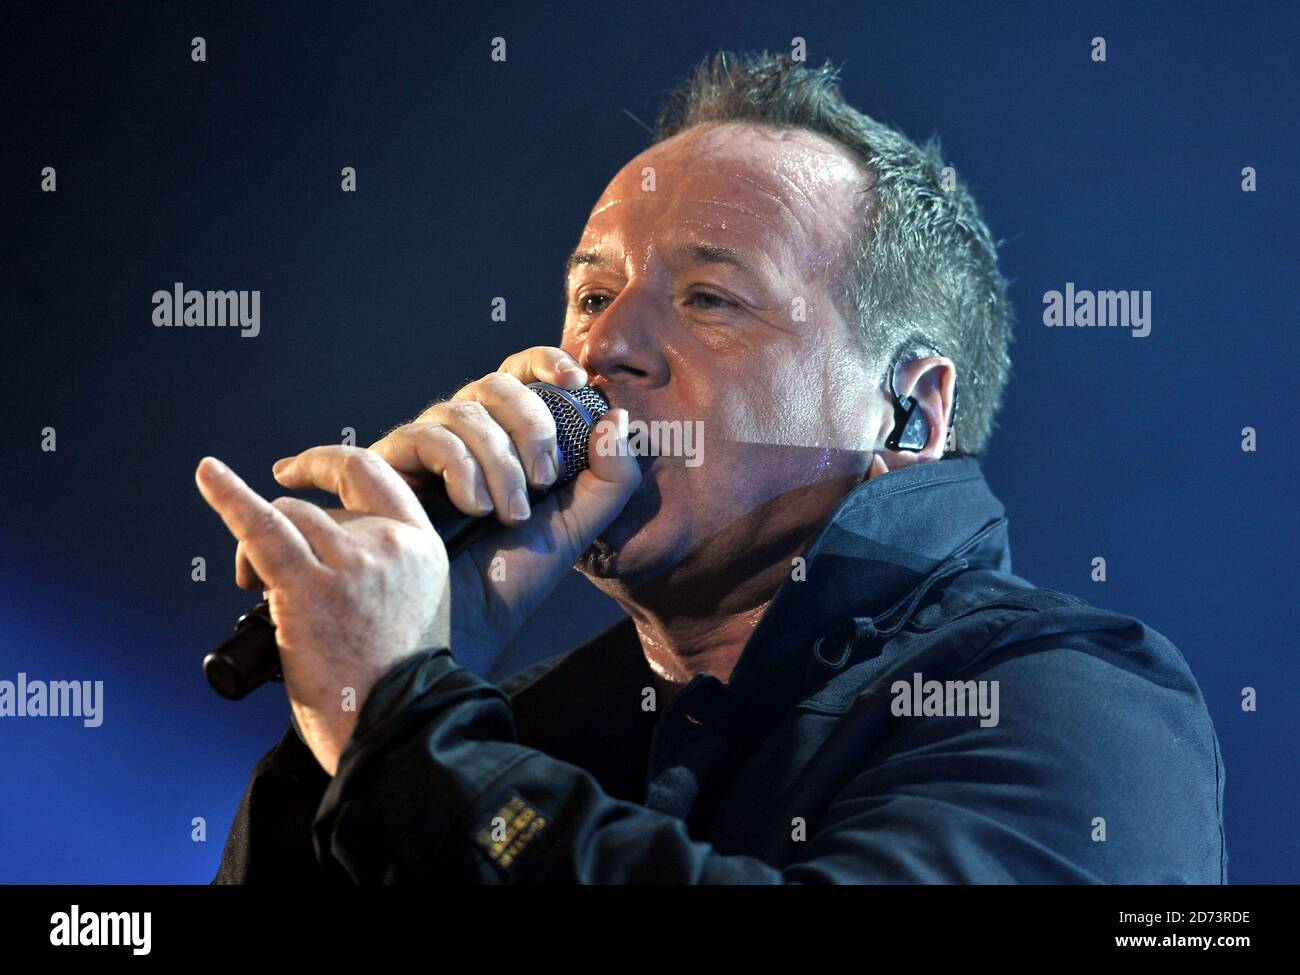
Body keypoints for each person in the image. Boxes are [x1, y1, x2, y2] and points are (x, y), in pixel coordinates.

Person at [198, 51, 1225, 883]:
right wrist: (363, 714)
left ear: (910, 411)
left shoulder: (1068, 701)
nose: (605, 352)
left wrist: (405, 729)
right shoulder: (521, 730)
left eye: (707, 300)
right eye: (593, 298)